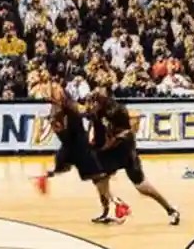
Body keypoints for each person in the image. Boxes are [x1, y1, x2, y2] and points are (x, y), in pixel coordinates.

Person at [35, 84, 127, 224]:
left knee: (98, 179)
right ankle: (112, 206)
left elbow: (82, 113)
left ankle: (115, 205)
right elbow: (50, 132)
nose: (53, 91)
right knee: (93, 178)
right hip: (71, 147)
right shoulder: (56, 110)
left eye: (56, 89)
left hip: (80, 147)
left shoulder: (70, 106)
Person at [89, 89, 180, 225]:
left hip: (125, 149)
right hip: (109, 148)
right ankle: (108, 210)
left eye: (96, 99)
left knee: (142, 186)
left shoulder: (118, 110)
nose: (93, 103)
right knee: (98, 176)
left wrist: (108, 144)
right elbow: (95, 131)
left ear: (105, 98)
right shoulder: (96, 112)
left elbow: (125, 132)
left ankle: (170, 209)